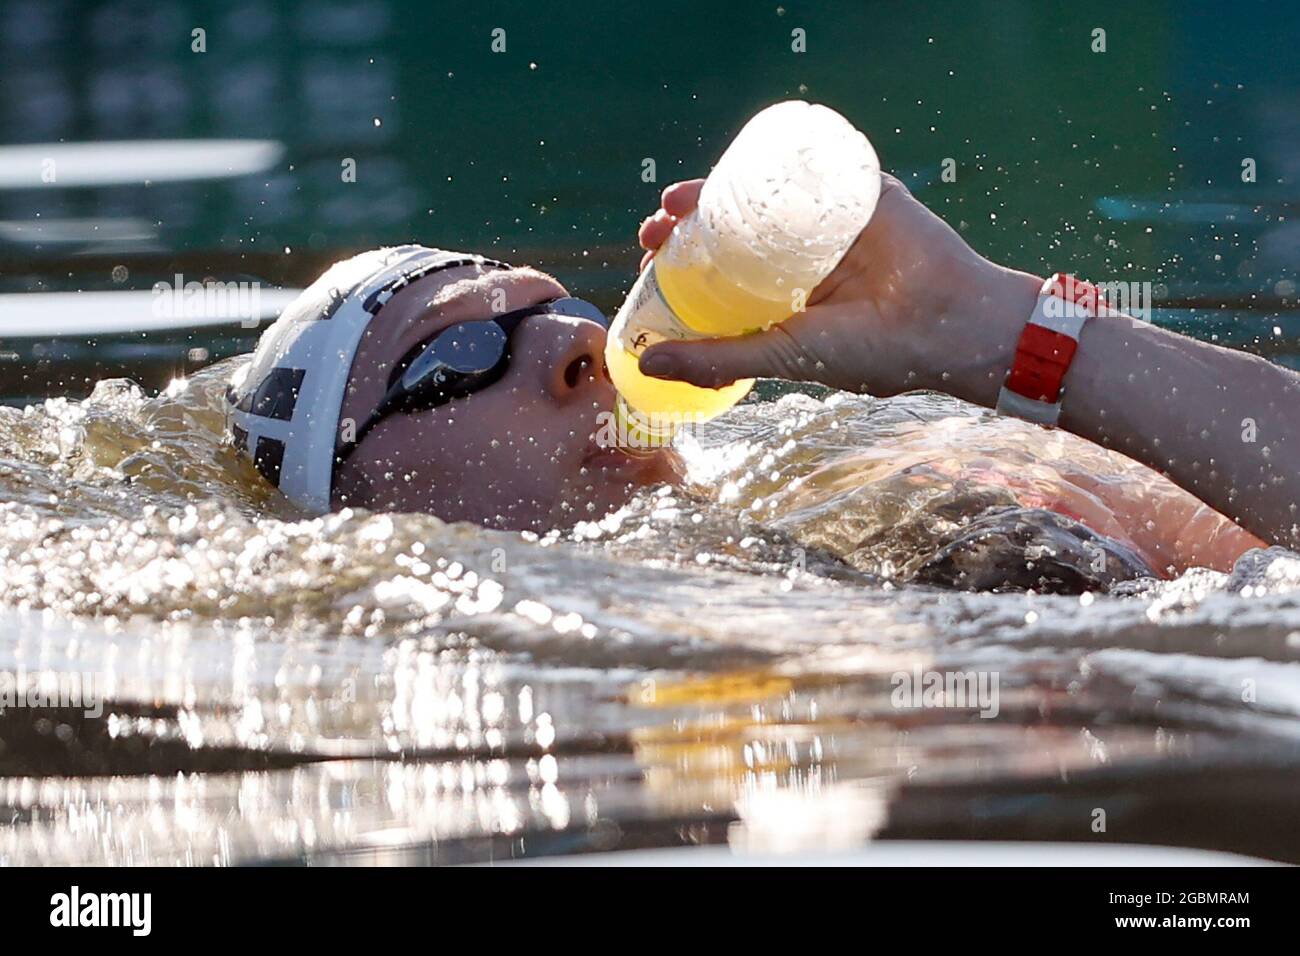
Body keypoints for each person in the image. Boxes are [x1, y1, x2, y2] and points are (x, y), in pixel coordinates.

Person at [636, 175, 1291, 557]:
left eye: (565, 305)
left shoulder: (840, 481)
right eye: (525, 345)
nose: (577, 332)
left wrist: (980, 323)